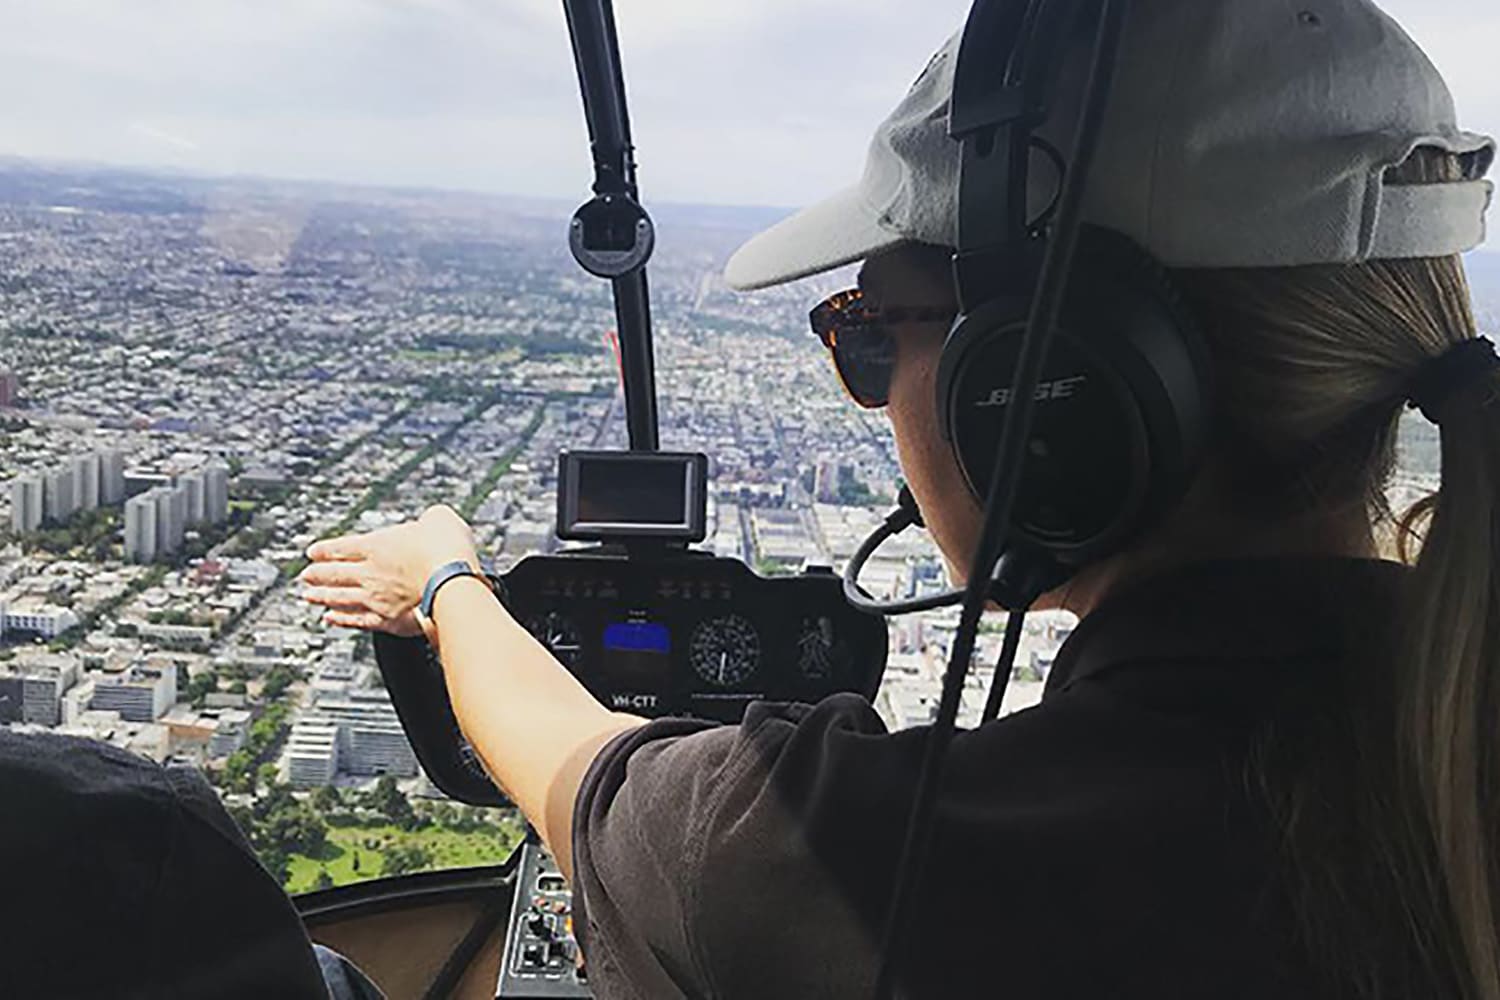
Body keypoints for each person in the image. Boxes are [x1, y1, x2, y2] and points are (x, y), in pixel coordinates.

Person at [299, 1, 1498, 996]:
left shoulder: (884, 866)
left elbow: (587, 779)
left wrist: (445, 578)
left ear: (1040, 382)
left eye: (871, 331)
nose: (870, 394)